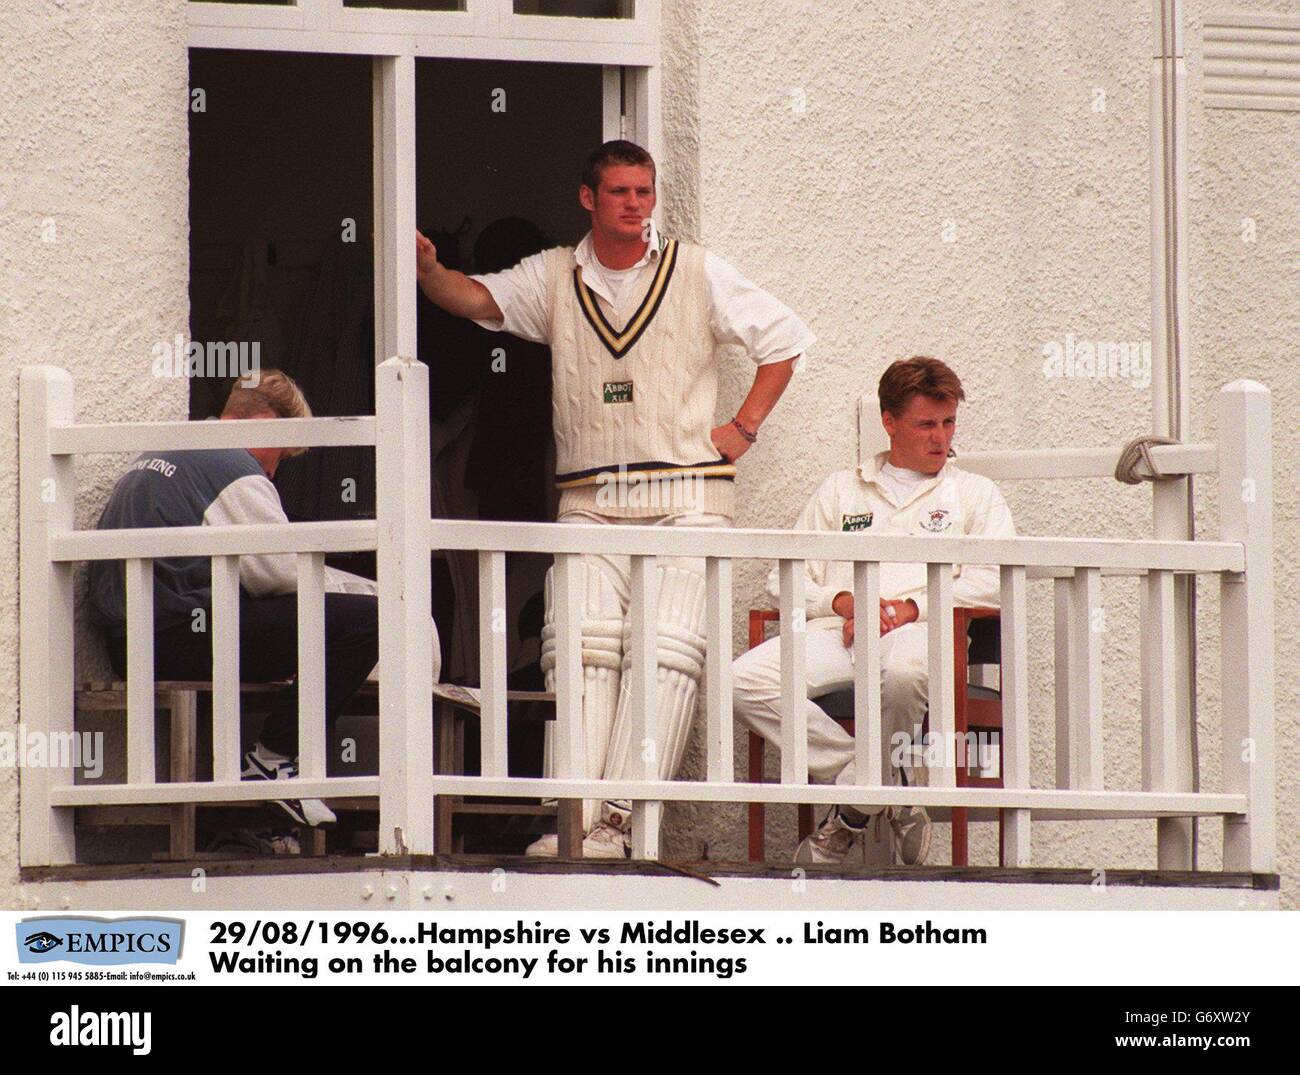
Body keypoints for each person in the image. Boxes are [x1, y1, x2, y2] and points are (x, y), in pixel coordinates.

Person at [416, 140, 813, 857]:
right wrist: (428, 271)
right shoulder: (552, 276)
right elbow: (474, 298)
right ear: (587, 198)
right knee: (578, 649)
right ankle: (572, 818)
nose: (636, 204)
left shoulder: (694, 270)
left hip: (688, 493)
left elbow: (784, 340)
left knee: (665, 651)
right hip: (591, 498)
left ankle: (621, 822)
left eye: (645, 191)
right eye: (621, 192)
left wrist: (742, 428)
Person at [732, 356, 1016, 866]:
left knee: (905, 673)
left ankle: (847, 819)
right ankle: (884, 787)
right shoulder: (841, 488)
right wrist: (840, 602)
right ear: (888, 421)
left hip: (922, 634)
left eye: (948, 422)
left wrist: (910, 608)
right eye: (926, 424)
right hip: (842, 631)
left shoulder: (974, 493)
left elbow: (994, 581)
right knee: (742, 681)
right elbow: (784, 577)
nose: (940, 437)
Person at [88, 370, 382, 832]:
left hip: (132, 642)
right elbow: (281, 572)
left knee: (302, 630)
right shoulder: (231, 464)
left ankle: (231, 822)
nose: (273, 470)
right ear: (267, 420)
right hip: (176, 639)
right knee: (370, 621)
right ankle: (273, 757)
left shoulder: (172, 447)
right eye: (280, 453)